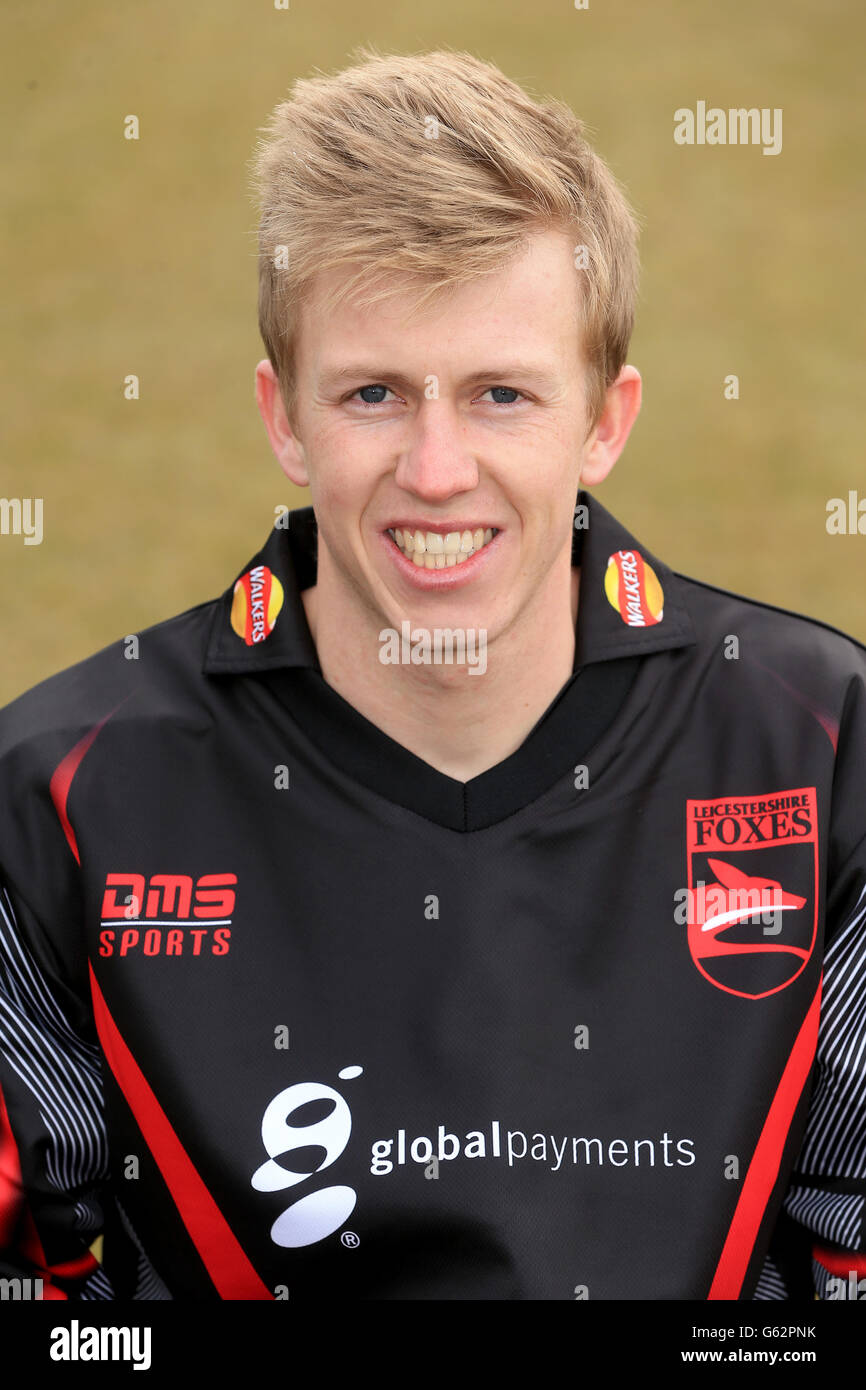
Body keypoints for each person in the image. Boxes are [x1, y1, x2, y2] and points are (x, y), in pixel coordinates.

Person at [0, 48, 863, 1302]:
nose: (439, 468)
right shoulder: (61, 796)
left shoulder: (819, 746)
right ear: (282, 416)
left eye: (501, 393)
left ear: (604, 420)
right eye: (373, 394)